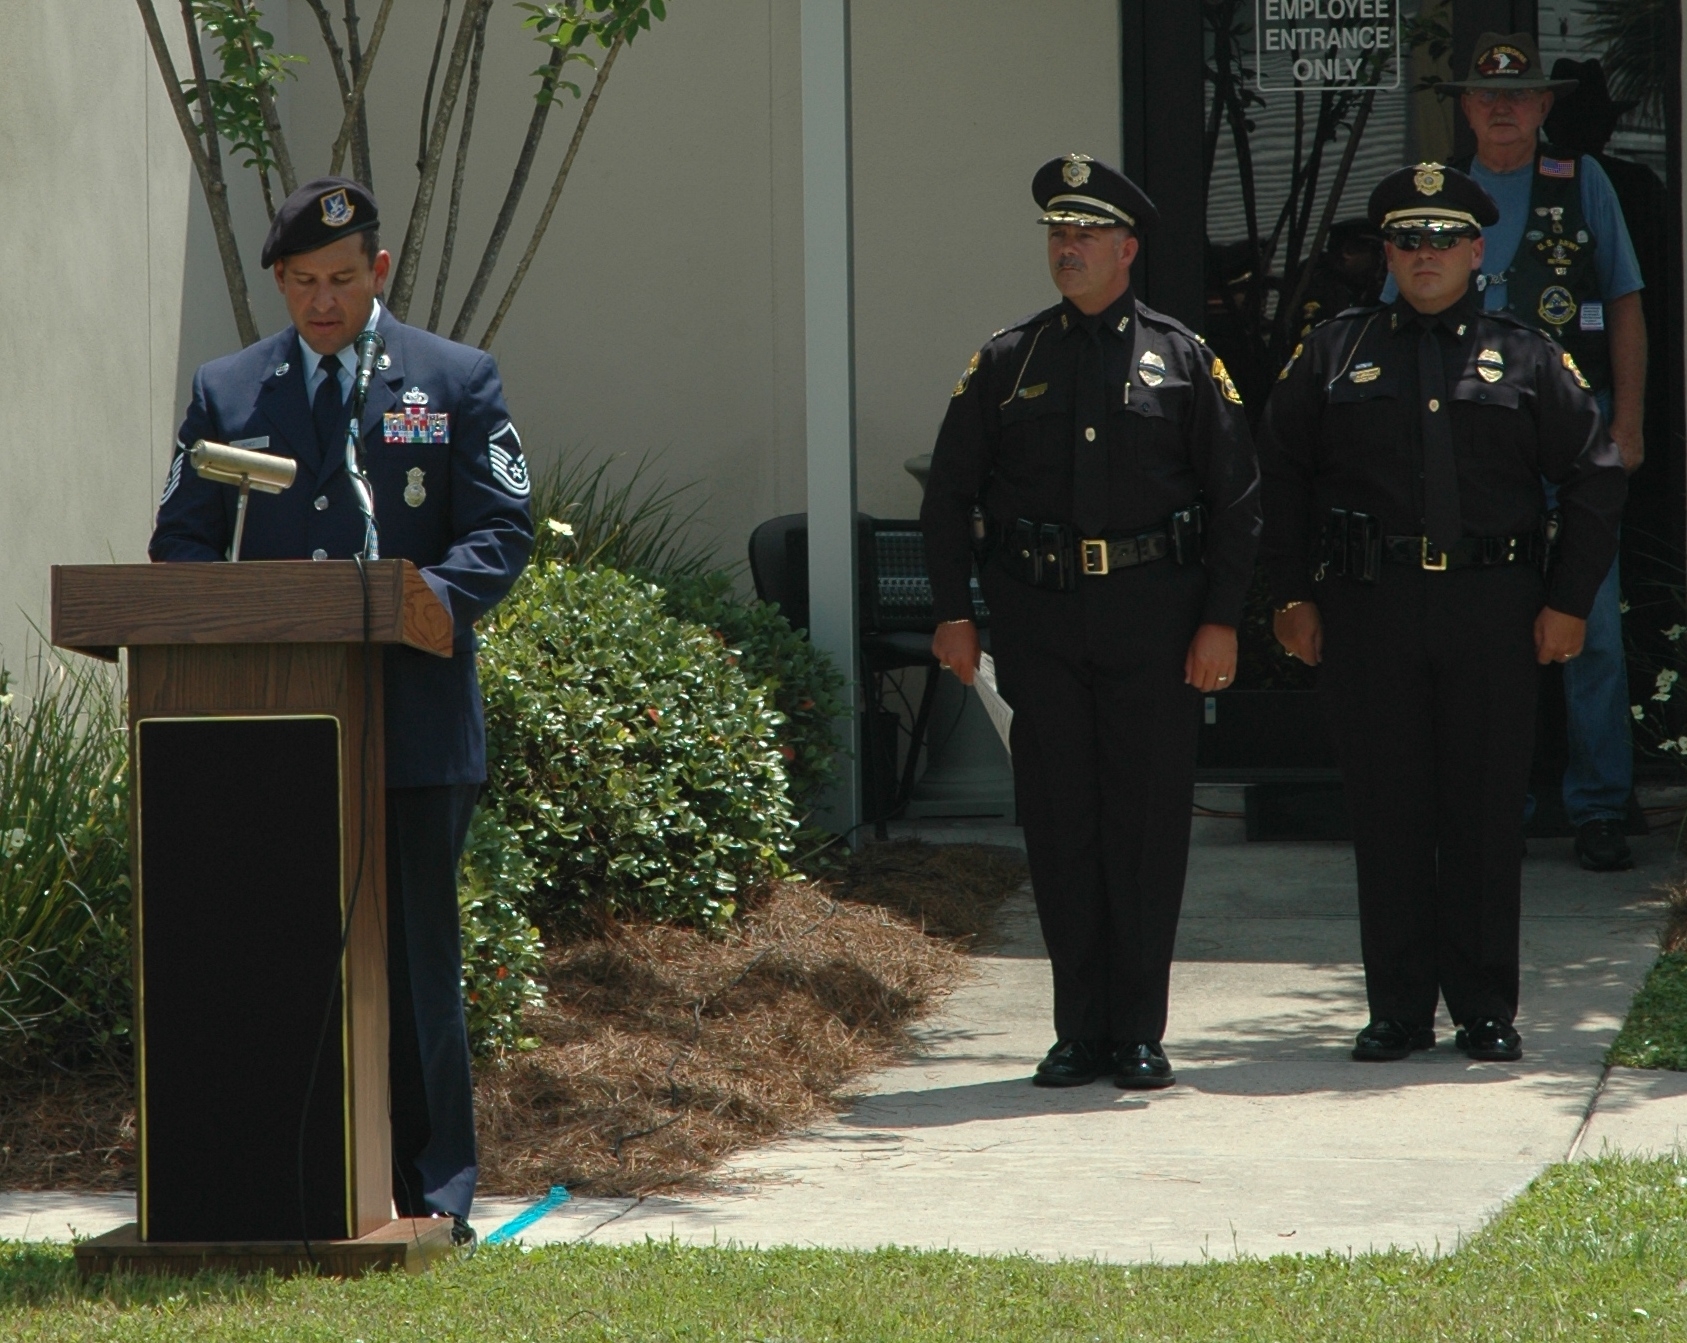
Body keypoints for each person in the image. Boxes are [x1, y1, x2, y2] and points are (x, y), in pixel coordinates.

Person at [150, 177, 534, 1244]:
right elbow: (180, 539)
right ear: (279, 281)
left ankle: (431, 1191)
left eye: (343, 279)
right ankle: (287, 1174)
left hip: (408, 722)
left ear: (380, 271)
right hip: (268, 732)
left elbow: (501, 530)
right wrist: (246, 611)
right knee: (268, 949)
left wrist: (427, 605)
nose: (325, 302)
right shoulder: (228, 390)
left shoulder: (452, 379)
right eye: (304, 283)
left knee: (413, 966)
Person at [1259, 164, 1626, 1064]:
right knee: (1386, 813)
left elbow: (1595, 474)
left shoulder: (1528, 353)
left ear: (1475, 251)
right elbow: (1277, 474)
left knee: (1483, 813)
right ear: (1387, 252)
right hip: (1369, 610)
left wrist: (1567, 602)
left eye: (1441, 239)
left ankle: (1483, 1008)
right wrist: (1288, 595)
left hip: (1492, 612)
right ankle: (1395, 1010)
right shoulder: (1334, 351)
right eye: (1406, 240)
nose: (1423, 255)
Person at [921, 155, 1260, 1091]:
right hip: (1042, 627)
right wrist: (954, 614)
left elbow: (1236, 503)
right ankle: (1077, 1031)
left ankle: (1138, 1032)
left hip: (1156, 625)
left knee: (1146, 828)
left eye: (1084, 233)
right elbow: (948, 498)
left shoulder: (1183, 358)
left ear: (1127, 248)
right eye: (1055, 233)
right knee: (1060, 824)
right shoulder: (1006, 360)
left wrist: (1221, 623)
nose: (1066, 248)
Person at [1389, 33, 1647, 871]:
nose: (1501, 107)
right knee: (1481, 631)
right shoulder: (1441, 198)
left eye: (1519, 95)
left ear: (1542, 107)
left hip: (1575, 438)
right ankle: (1487, 804)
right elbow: (1395, 321)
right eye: (1484, 95)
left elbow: (1623, 302)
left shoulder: (1583, 184)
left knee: (1592, 627)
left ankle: (1600, 807)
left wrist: (1630, 419)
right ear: (1464, 108)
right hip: (1470, 445)